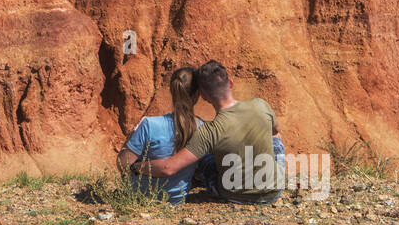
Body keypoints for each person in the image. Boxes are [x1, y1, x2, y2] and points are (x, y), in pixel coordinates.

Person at [133, 60, 285, 205]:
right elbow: (275, 131)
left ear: (203, 97)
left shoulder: (209, 131)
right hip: (273, 192)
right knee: (275, 137)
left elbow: (168, 168)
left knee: (202, 155)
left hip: (233, 195)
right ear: (230, 83)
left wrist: (136, 166)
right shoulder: (261, 105)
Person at [116, 68, 201, 205]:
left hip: (138, 198)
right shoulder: (203, 128)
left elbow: (123, 163)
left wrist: (131, 137)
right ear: (198, 94)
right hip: (177, 199)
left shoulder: (149, 124)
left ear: (172, 91)